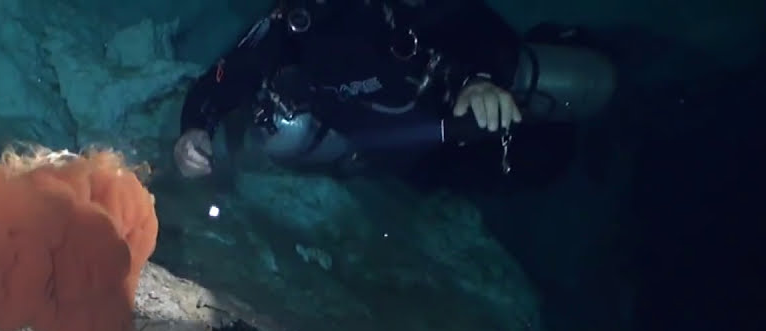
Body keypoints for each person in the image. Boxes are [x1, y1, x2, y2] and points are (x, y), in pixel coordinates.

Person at [173, 0, 617, 178]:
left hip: (459, 115)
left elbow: (476, 25)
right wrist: (195, 129)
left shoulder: (396, 9)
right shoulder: (287, 28)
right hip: (406, 150)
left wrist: (481, 80)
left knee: (529, 153)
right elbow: (223, 78)